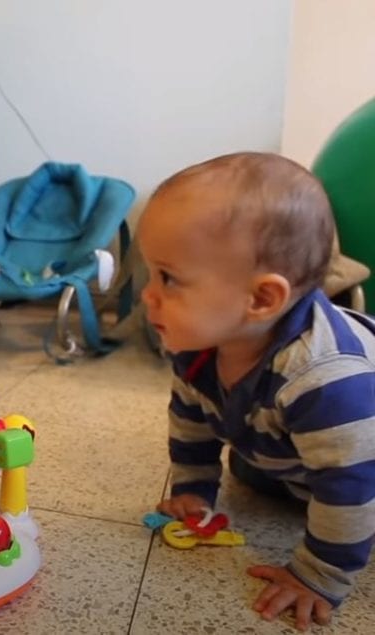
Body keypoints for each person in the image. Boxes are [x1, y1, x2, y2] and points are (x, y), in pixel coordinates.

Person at [137, 151, 375, 631]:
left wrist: (318, 576)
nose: (148, 294)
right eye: (150, 274)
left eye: (168, 278)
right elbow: (191, 420)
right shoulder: (198, 345)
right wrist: (193, 490)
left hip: (363, 454)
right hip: (309, 443)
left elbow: (352, 490)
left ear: (262, 299)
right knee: (251, 464)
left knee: (344, 483)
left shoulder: (326, 381)